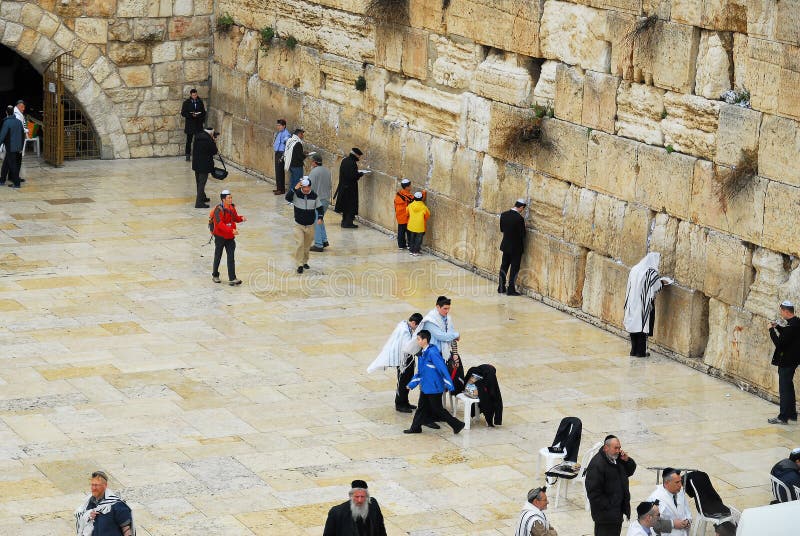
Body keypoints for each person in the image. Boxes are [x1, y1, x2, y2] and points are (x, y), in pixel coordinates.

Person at [404, 329, 465, 434]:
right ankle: (416, 428)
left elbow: (442, 369)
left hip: (434, 388)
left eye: (419, 339)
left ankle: (457, 424)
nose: (417, 341)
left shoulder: (432, 353)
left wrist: (449, 385)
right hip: (426, 387)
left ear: (425, 340)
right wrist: (411, 384)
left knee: (438, 410)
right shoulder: (422, 354)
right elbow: (420, 373)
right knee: (421, 408)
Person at [367, 312, 423, 413]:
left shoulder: (405, 326)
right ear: (414, 323)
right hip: (403, 361)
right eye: (418, 326)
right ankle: (400, 404)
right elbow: (408, 347)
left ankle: (405, 402)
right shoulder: (405, 330)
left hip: (407, 360)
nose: (417, 329)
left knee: (407, 381)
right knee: (403, 382)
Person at [585, 434, 637, 536]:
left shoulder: (618, 459)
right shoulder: (597, 465)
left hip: (617, 513)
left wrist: (627, 460)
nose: (618, 451)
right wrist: (611, 505)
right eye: (615, 448)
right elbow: (593, 493)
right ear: (606, 448)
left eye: (619, 448)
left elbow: (630, 471)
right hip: (605, 516)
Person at [624, 252, 672, 358]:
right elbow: (656, 286)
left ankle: (633, 350)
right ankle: (640, 352)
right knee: (642, 326)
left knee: (633, 325)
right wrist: (663, 282)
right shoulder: (651, 272)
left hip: (632, 301)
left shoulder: (635, 269)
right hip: (644, 303)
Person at [767, 300, 800, 424]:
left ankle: (783, 417)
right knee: (789, 388)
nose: (781, 314)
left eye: (781, 311)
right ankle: (792, 414)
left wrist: (771, 330)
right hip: (792, 361)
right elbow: (788, 336)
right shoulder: (796, 322)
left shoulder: (791, 326)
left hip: (786, 362)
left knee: (784, 390)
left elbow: (780, 344)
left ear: (786, 311)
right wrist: (779, 327)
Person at [74, 470, 134, 536]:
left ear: (105, 485)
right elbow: (80, 521)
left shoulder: (117, 505)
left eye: (96, 485)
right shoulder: (88, 504)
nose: (93, 488)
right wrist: (88, 516)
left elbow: (126, 529)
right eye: (92, 485)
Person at [285, 177, 323, 274]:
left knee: (306, 246)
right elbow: (287, 198)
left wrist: (320, 218)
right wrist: (294, 188)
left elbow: (320, 207)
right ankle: (299, 265)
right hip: (298, 225)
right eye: (305, 187)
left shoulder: (314, 195)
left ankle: (305, 261)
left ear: (310, 187)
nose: (306, 189)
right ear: (302, 186)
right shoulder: (296, 194)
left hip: (310, 225)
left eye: (308, 187)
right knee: (300, 244)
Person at [211, 190, 246, 285]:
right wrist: (231, 230)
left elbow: (235, 218)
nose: (231, 199)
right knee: (218, 255)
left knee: (231, 257)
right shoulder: (218, 210)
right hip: (220, 237)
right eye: (229, 198)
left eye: (231, 197)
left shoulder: (232, 208)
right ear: (223, 199)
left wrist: (241, 218)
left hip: (230, 237)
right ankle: (215, 275)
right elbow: (219, 224)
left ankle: (232, 278)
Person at [647, 469, 692, 535]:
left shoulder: (680, 491)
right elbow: (650, 523)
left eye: (680, 481)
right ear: (666, 483)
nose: (680, 485)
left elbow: (687, 510)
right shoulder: (655, 498)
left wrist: (688, 521)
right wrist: (672, 524)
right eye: (677, 482)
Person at [499, 199, 527, 296]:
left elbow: (502, 229)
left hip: (506, 245)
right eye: (523, 209)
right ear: (522, 207)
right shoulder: (519, 219)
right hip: (516, 248)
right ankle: (511, 289)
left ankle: (501, 287)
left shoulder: (504, 214)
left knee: (504, 266)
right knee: (514, 268)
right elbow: (523, 234)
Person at [334, 147, 365, 228]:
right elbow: (352, 176)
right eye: (358, 156)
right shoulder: (352, 163)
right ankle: (348, 223)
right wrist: (360, 174)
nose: (359, 158)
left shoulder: (345, 160)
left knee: (345, 206)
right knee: (350, 206)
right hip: (350, 189)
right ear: (355, 155)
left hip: (344, 187)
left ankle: (344, 221)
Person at [308, 154, 332, 252]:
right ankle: (324, 240)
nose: (311, 163)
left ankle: (318, 244)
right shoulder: (327, 171)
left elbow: (309, 186)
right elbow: (330, 185)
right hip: (326, 199)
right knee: (320, 219)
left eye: (311, 161)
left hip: (318, 200)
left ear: (314, 162)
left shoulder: (314, 172)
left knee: (316, 221)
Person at [191, 127, 217, 208]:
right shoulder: (209, 140)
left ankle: (202, 197)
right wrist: (214, 141)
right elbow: (214, 151)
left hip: (196, 163)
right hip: (204, 165)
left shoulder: (198, 137)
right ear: (211, 133)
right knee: (202, 183)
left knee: (199, 182)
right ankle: (198, 203)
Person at [394, 179, 424, 249]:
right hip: (406, 217)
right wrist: (423, 194)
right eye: (410, 186)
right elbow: (416, 200)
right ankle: (410, 244)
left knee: (401, 232)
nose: (411, 187)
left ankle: (401, 245)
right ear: (407, 187)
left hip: (399, 216)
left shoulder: (399, 194)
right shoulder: (408, 197)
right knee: (409, 232)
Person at [0, 105, 25, 189]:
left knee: (12, 165)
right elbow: (23, 134)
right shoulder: (18, 121)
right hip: (18, 147)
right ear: (13, 112)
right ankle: (2, 180)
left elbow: (2, 136)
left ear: (6, 112)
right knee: (6, 164)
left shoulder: (6, 122)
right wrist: (21, 146)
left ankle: (17, 184)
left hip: (11, 147)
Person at [180, 89, 206, 161]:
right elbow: (183, 113)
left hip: (198, 124)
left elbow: (203, 112)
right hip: (190, 125)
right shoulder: (186, 103)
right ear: (191, 95)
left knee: (198, 141)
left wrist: (198, 115)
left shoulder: (200, 102)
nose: (195, 96)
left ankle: (197, 155)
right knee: (189, 141)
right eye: (193, 95)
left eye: (196, 95)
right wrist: (191, 115)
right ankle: (187, 155)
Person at [406, 191, 430, 256]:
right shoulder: (424, 207)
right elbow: (427, 215)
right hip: (420, 226)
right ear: (422, 198)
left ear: (414, 197)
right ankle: (416, 251)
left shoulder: (410, 205)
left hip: (411, 225)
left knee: (412, 238)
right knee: (418, 239)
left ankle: (411, 250)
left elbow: (407, 213)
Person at [272, 118, 290, 195]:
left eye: (279, 125)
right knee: (277, 171)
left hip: (281, 153)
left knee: (280, 171)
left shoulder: (286, 134)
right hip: (277, 152)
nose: (278, 127)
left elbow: (286, 145)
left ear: (284, 126)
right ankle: (279, 188)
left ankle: (281, 189)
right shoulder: (279, 133)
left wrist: (283, 155)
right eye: (277, 125)